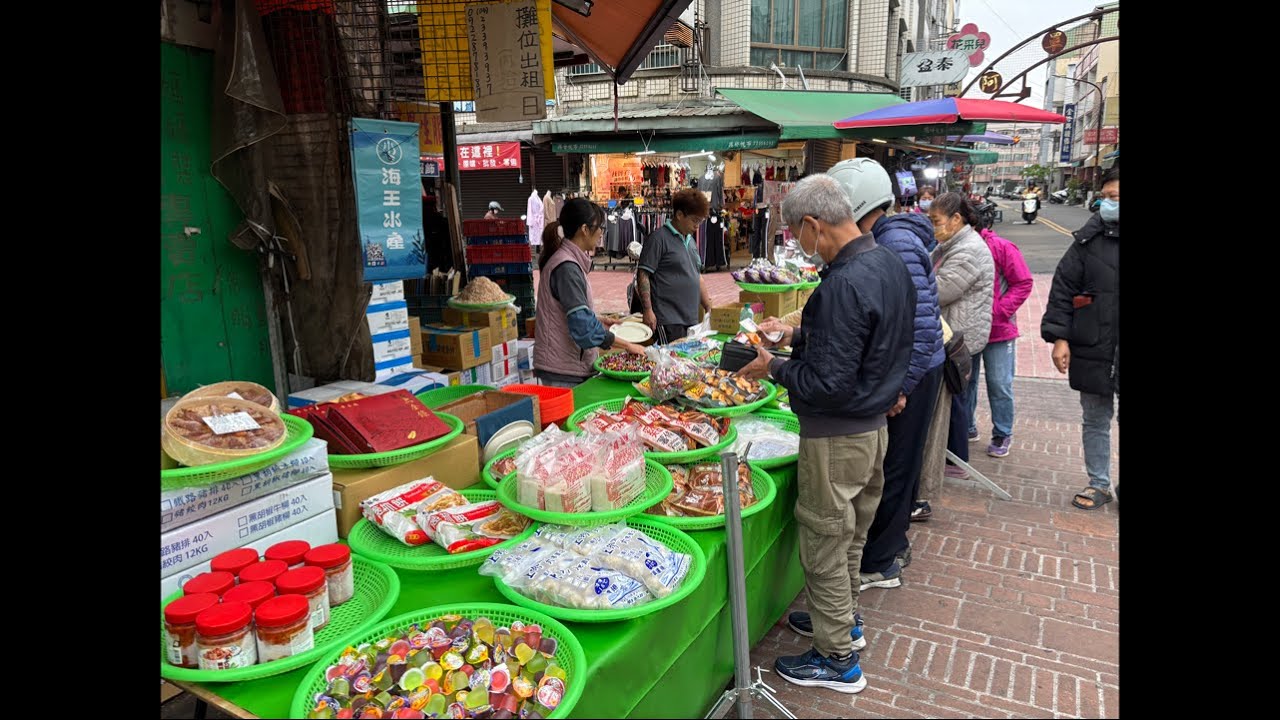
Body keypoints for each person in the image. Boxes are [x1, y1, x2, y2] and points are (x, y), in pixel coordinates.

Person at [738, 175, 915, 694]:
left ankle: (837, 658)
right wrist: (797, 334)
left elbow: (827, 384)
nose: (797, 243)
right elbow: (868, 341)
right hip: (872, 430)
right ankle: (843, 621)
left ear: (814, 225)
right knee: (850, 536)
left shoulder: (842, 283)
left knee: (823, 545)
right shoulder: (887, 263)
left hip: (837, 438)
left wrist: (773, 366)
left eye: (796, 233)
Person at [824, 159, 945, 592]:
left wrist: (900, 388)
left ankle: (880, 562)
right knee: (895, 467)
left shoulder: (894, 244)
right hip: (907, 371)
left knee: (893, 468)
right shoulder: (891, 238)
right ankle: (889, 549)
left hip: (912, 374)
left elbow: (921, 327)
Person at [1041, 169, 1119, 510]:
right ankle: (1098, 483)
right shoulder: (1087, 240)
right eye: (1106, 197)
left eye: (1116, 197)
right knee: (1095, 418)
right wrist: (1060, 337)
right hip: (1093, 344)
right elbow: (1063, 289)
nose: (1110, 203)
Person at [532, 199, 645, 388]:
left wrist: (598, 320)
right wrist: (627, 345)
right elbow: (582, 328)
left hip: (566, 364)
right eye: (600, 227)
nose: (601, 232)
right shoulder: (567, 267)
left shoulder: (569, 261)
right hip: (563, 369)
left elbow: (571, 312)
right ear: (584, 229)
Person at [928, 192, 995, 481]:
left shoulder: (968, 250)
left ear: (956, 219)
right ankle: (953, 452)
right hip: (954, 330)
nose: (934, 227)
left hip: (959, 333)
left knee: (953, 395)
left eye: (936, 221)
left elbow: (941, 290)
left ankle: (956, 459)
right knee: (955, 394)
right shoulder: (949, 245)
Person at [965, 225, 1034, 456]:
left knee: (999, 383)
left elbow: (1023, 282)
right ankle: (967, 426)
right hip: (969, 328)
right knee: (965, 382)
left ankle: (1002, 432)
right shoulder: (956, 245)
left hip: (999, 330)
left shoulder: (1001, 247)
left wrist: (999, 311)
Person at [636, 188, 715, 344]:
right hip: (668, 320)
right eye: (694, 220)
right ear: (679, 215)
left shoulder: (691, 241)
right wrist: (648, 310)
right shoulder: (658, 239)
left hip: (691, 318)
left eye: (700, 222)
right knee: (670, 356)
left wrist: (708, 306)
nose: (697, 226)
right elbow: (643, 274)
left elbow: (696, 275)